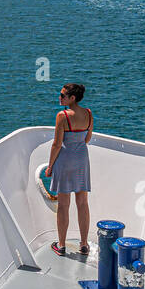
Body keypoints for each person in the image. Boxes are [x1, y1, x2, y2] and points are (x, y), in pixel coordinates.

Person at [43, 82, 92, 257]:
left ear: (72, 98)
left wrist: (50, 166)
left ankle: (61, 245)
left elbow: (57, 144)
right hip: (81, 159)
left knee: (63, 205)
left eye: (63, 95)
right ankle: (84, 244)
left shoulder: (62, 116)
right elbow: (87, 138)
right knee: (82, 203)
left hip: (65, 160)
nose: (60, 97)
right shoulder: (88, 113)